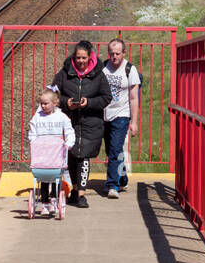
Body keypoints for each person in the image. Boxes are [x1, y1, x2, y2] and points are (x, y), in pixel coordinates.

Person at [50, 39, 112, 208]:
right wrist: (65, 102)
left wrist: (89, 103)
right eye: (78, 58)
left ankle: (82, 195)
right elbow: (52, 93)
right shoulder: (64, 73)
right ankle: (74, 191)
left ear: (90, 57)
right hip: (70, 122)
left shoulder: (99, 74)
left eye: (84, 58)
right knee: (71, 157)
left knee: (83, 158)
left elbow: (106, 97)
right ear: (74, 57)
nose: (81, 61)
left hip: (91, 123)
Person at [100, 38, 141, 198]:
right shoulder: (103, 68)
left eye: (117, 53)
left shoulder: (130, 70)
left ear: (124, 53)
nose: (114, 57)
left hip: (121, 115)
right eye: (111, 53)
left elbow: (134, 98)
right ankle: (122, 179)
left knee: (115, 149)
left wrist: (134, 122)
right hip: (105, 114)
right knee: (111, 150)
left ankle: (112, 185)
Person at [27, 88, 75, 217]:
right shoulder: (37, 117)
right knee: (43, 177)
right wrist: (34, 142)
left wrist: (69, 143)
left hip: (56, 153)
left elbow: (69, 130)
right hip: (42, 155)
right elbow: (32, 132)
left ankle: (53, 199)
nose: (43, 106)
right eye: (41, 103)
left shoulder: (61, 116)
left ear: (55, 103)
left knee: (55, 177)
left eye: (45, 103)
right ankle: (44, 202)